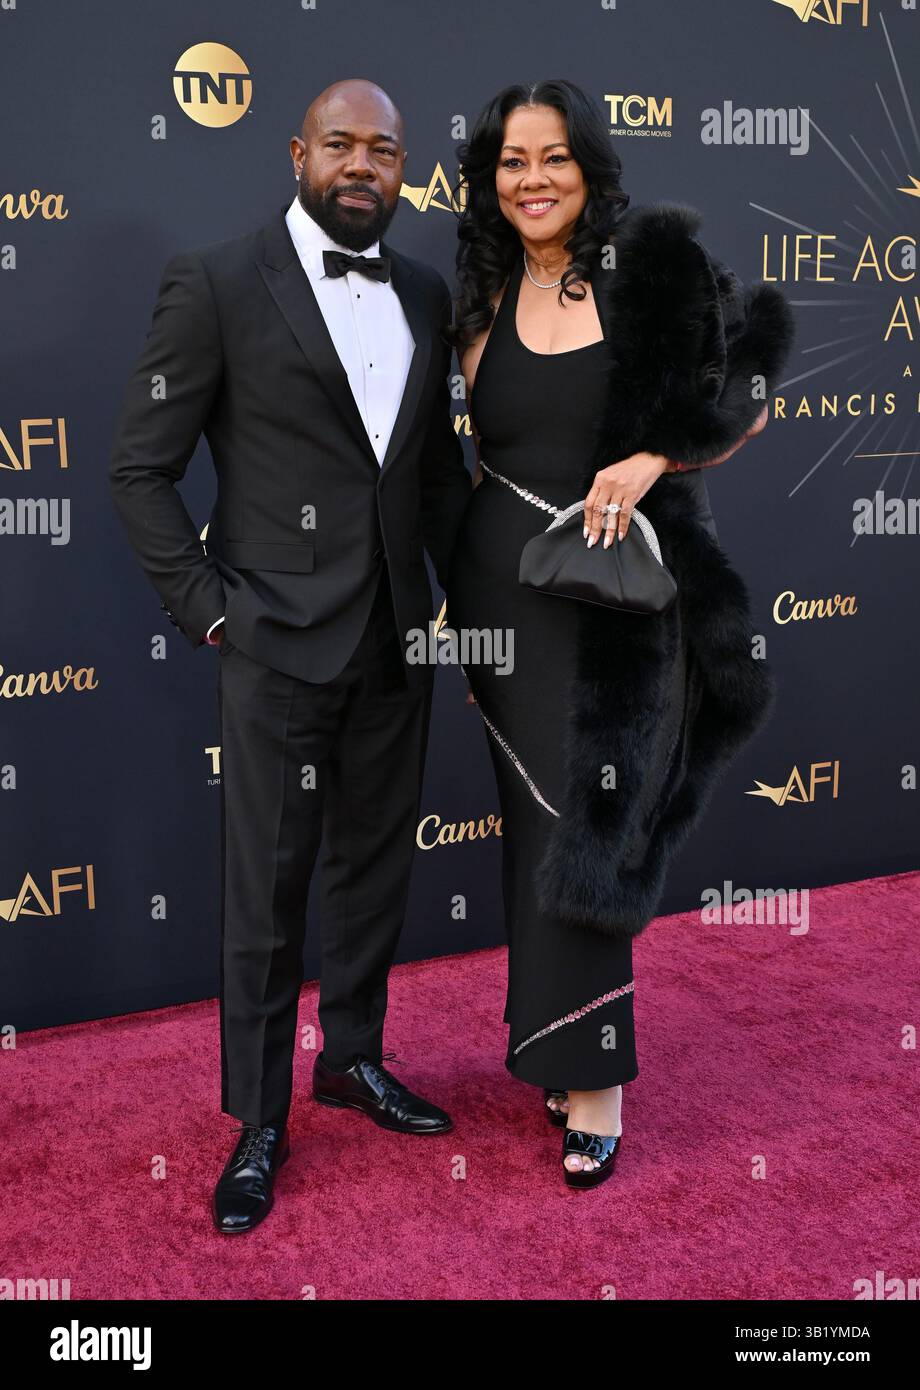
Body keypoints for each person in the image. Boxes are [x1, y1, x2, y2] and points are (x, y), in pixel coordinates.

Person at [109, 79, 471, 1232]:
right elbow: (139, 469)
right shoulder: (216, 282)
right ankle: (258, 1116)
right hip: (271, 640)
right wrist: (210, 610)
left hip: (393, 640)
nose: (364, 163)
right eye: (341, 145)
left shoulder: (421, 287)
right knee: (264, 890)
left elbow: (431, 483)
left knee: (373, 869)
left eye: (386, 149)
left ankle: (351, 1058)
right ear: (297, 153)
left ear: (406, 166)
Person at [446, 79, 794, 1187]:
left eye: (552, 158)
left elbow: (749, 385)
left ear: (588, 166)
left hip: (623, 603)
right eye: (510, 160)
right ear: (487, 178)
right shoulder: (478, 295)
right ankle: (550, 1042)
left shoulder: (650, 270)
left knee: (592, 816)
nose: (532, 179)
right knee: (531, 819)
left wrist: (656, 458)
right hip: (502, 596)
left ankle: (596, 1075)